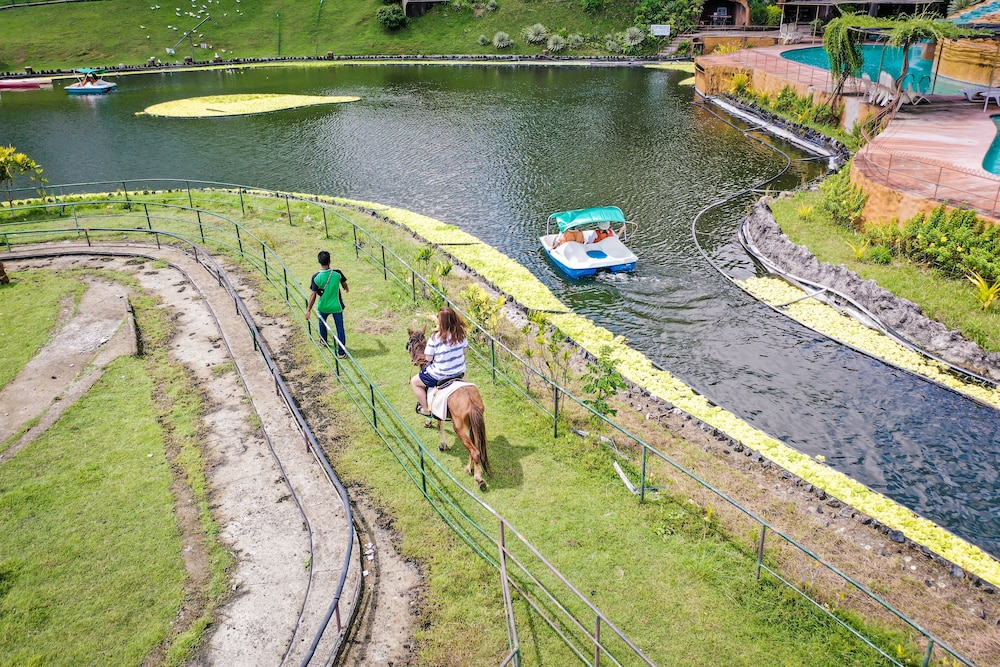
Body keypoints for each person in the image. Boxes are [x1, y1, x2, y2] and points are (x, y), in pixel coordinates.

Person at [411, 306, 469, 417]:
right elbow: (464, 351)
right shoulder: (461, 334)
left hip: (440, 374)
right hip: (459, 371)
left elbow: (428, 358)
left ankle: (425, 408)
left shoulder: (435, 337)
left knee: (415, 382)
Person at [305, 250, 349, 358]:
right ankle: (341, 352)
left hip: (323, 306)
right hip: (336, 306)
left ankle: (323, 340)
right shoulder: (337, 274)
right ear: (330, 261)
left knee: (322, 323)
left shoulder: (316, 277)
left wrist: (308, 310)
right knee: (340, 328)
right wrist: (346, 288)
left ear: (319, 262)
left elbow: (313, 295)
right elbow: (343, 283)